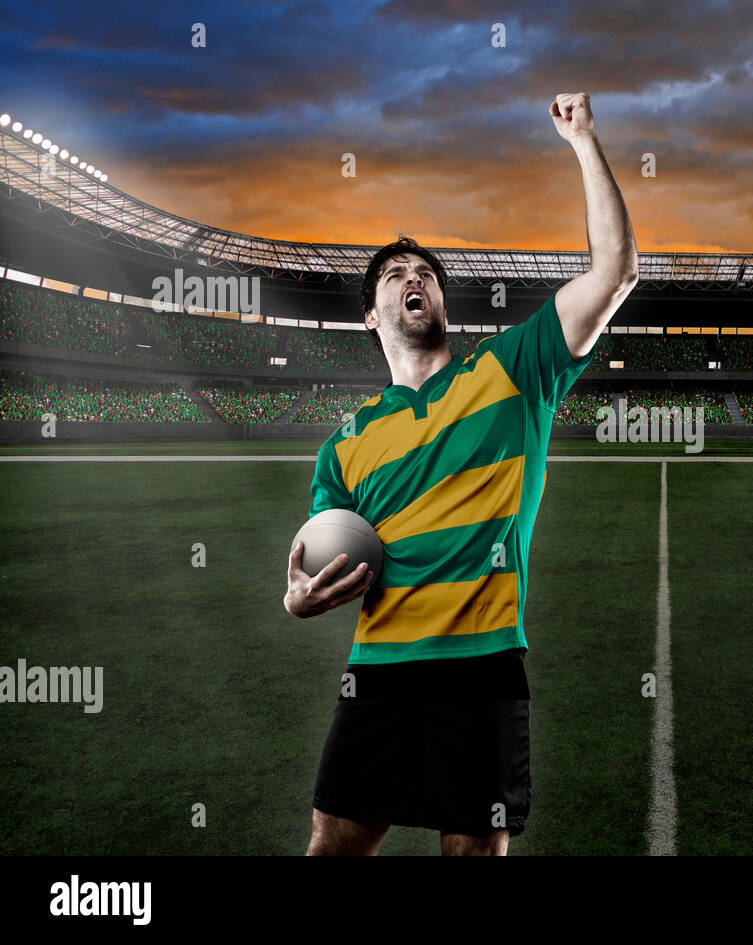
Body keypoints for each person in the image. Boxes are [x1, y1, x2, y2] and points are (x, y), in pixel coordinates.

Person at [283, 92, 637, 855]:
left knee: (471, 852)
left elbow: (614, 271)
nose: (415, 277)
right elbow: (321, 554)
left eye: (426, 272)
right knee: (333, 839)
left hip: (483, 664)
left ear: (439, 298)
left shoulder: (512, 367)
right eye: (396, 273)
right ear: (373, 316)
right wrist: (299, 596)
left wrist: (583, 140)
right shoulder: (344, 444)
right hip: (377, 668)